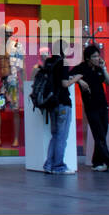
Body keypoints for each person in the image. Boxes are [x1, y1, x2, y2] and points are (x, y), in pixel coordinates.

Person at [70, 44, 109, 172]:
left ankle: (97, 162)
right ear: (88, 58)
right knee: (98, 134)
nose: (97, 58)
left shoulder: (99, 68)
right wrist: (79, 81)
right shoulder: (81, 68)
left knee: (102, 133)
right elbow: (68, 77)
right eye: (94, 56)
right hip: (91, 106)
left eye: (98, 56)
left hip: (103, 105)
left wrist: (104, 68)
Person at [41, 44, 82, 175]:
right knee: (61, 136)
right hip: (63, 102)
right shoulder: (63, 63)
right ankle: (58, 166)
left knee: (55, 135)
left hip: (51, 103)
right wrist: (75, 78)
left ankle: (49, 164)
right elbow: (64, 83)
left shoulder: (48, 62)